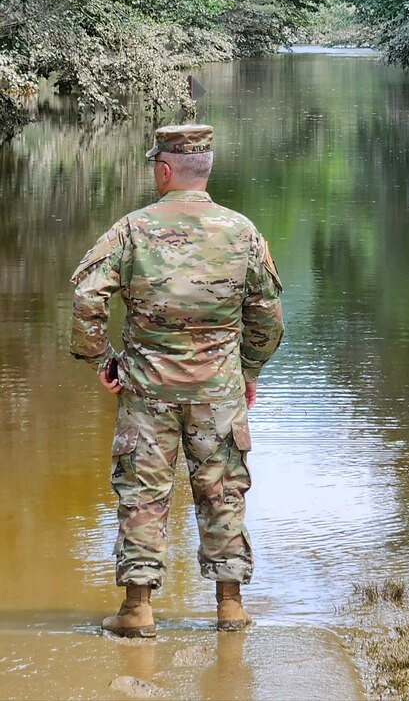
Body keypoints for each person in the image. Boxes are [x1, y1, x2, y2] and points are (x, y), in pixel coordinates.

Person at [70, 124, 284, 638]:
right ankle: (229, 606)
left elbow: (86, 299)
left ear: (164, 171)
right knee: (222, 492)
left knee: (143, 493)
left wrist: (104, 359)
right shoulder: (242, 231)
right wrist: (246, 370)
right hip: (219, 392)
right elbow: (269, 317)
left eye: (153, 167)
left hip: (148, 390)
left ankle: (138, 611)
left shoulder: (131, 230)